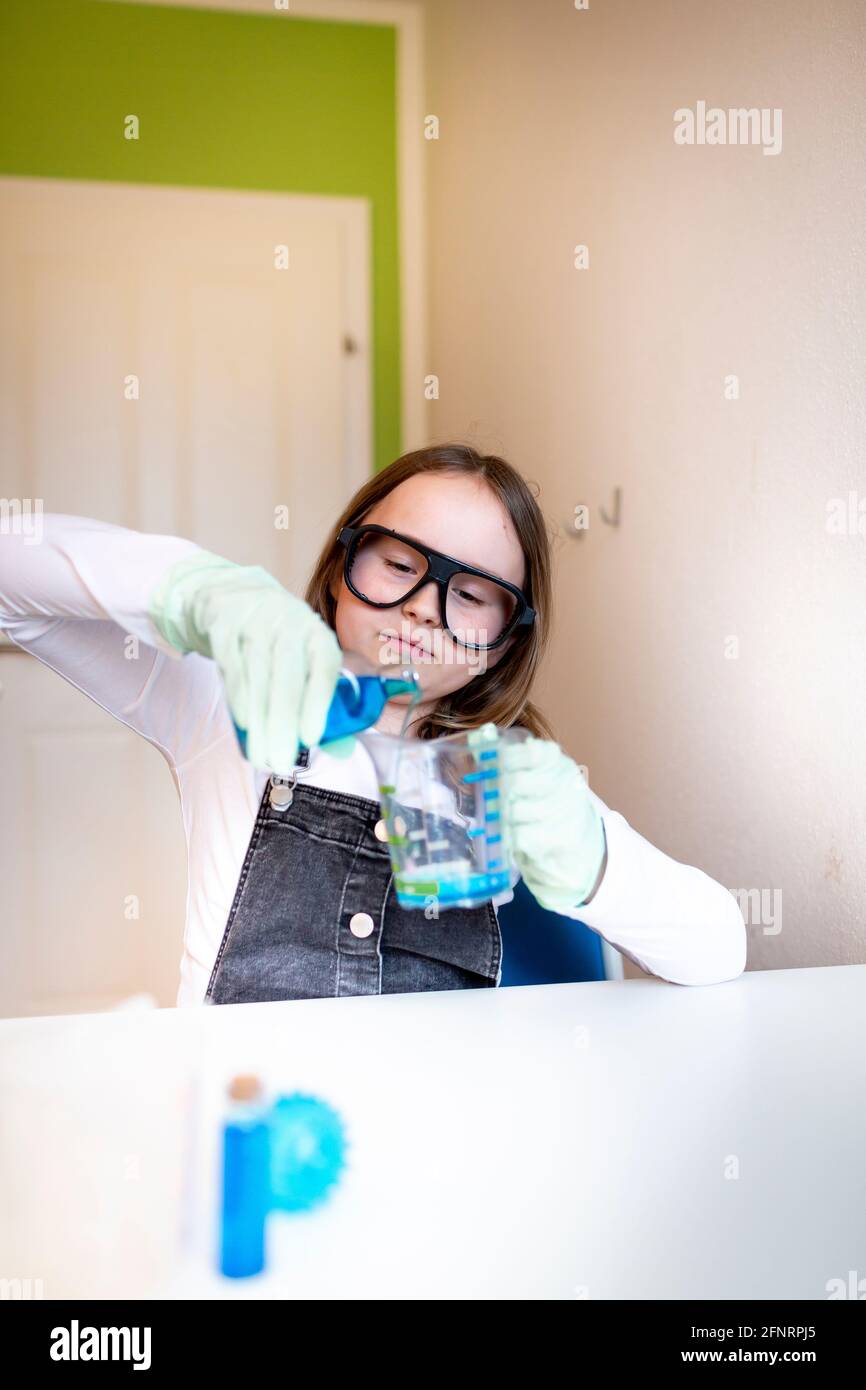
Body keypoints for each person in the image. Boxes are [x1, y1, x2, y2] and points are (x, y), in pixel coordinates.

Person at [0, 443, 746, 1005]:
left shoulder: (499, 784)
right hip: (255, 1141)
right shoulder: (227, 713)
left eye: (473, 592)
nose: (425, 604)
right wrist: (197, 589)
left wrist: (597, 863)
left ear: (504, 645)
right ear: (338, 568)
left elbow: (720, 950)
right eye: (398, 562)